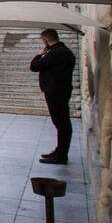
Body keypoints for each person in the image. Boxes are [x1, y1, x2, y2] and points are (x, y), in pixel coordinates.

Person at [30, 28, 75, 164]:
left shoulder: (55, 53)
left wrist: (39, 54)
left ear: (45, 40)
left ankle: (61, 154)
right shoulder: (65, 51)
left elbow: (34, 66)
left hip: (55, 91)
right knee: (62, 122)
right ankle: (60, 151)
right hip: (61, 90)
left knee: (61, 123)